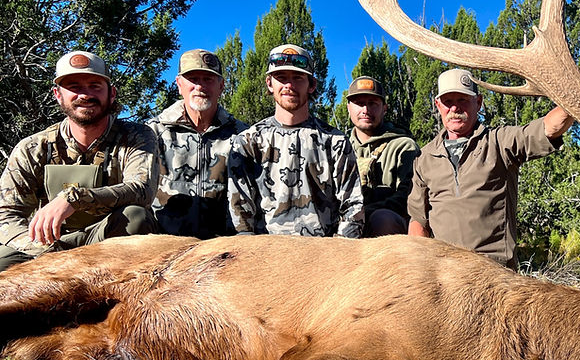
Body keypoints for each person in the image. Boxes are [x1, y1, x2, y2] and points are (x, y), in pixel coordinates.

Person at [0, 50, 159, 272]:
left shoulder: (136, 136)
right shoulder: (33, 147)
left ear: (111, 94)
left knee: (136, 217)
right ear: (57, 94)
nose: (85, 95)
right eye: (74, 87)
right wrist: (42, 251)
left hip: (106, 239)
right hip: (47, 246)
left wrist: (74, 199)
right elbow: (6, 213)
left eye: (95, 86)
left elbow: (141, 190)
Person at [408, 68, 574, 270]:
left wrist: (574, 98)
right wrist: (418, 267)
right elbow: (419, 221)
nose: (454, 108)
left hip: (494, 272)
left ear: (478, 102)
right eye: (448, 102)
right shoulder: (425, 158)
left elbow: (547, 129)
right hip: (446, 273)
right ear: (438, 105)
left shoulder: (499, 143)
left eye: (462, 100)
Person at [227, 44, 363, 237]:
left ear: (312, 85)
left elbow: (353, 208)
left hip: (324, 256)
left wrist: (339, 257)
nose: (289, 85)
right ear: (269, 83)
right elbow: (239, 215)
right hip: (264, 256)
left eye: (298, 78)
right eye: (281, 78)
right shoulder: (247, 142)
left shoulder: (335, 142)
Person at [147, 49, 246, 239]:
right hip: (164, 245)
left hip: (225, 248)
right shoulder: (153, 133)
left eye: (208, 79)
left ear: (221, 86)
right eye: (193, 79)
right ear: (179, 84)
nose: (200, 86)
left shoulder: (243, 136)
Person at [345, 77, 420, 236]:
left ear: (384, 108)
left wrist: (362, 215)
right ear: (348, 108)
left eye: (373, 103)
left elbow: (407, 198)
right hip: (346, 224)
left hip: (388, 229)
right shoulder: (338, 146)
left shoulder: (404, 147)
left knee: (382, 219)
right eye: (359, 103)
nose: (365, 109)